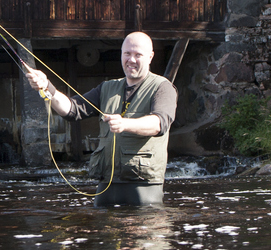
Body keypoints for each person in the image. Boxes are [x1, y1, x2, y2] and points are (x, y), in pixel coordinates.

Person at [25, 32, 177, 207]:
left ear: (150, 57)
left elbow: (159, 123)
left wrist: (125, 124)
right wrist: (47, 88)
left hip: (144, 187)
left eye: (138, 55)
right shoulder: (107, 87)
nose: (131, 60)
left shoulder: (163, 87)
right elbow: (72, 110)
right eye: (127, 53)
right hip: (106, 186)